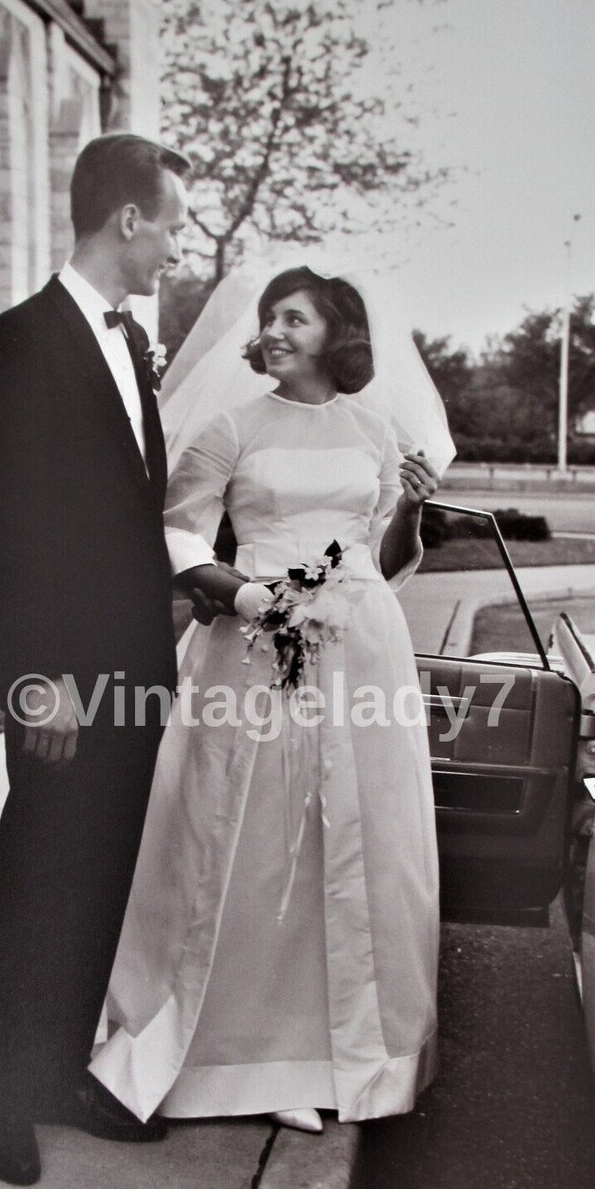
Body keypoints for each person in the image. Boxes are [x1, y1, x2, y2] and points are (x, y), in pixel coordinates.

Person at [87, 266, 447, 1133]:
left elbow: (380, 547)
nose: (275, 331)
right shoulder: (230, 426)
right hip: (251, 644)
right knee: (248, 837)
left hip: (360, 647)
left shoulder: (376, 430)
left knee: (353, 842)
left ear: (338, 332)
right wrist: (245, 595)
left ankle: (337, 1053)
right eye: (270, 318)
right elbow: (176, 531)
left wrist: (413, 514)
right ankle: (241, 1054)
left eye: (296, 317)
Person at [0, 132, 199, 1186]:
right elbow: (0, 522)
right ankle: (4, 1093)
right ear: (128, 220)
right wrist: (38, 673)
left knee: (99, 873)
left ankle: (59, 1068)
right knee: (41, 871)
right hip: (63, 678)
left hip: (133, 670)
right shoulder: (19, 340)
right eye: (175, 228)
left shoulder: (132, 346)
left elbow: (121, 512)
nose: (179, 253)